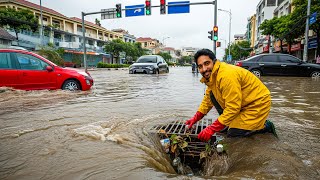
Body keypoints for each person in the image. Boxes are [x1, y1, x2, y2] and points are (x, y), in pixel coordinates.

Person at [185, 49, 276, 141]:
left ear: (214, 62)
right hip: (242, 103)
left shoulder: (226, 76)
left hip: (257, 104)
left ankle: (264, 127)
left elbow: (233, 108)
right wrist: (195, 118)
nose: (204, 69)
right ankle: (230, 123)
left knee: (234, 135)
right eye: (200, 66)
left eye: (207, 63)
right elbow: (207, 100)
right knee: (212, 96)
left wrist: (212, 128)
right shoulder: (212, 77)